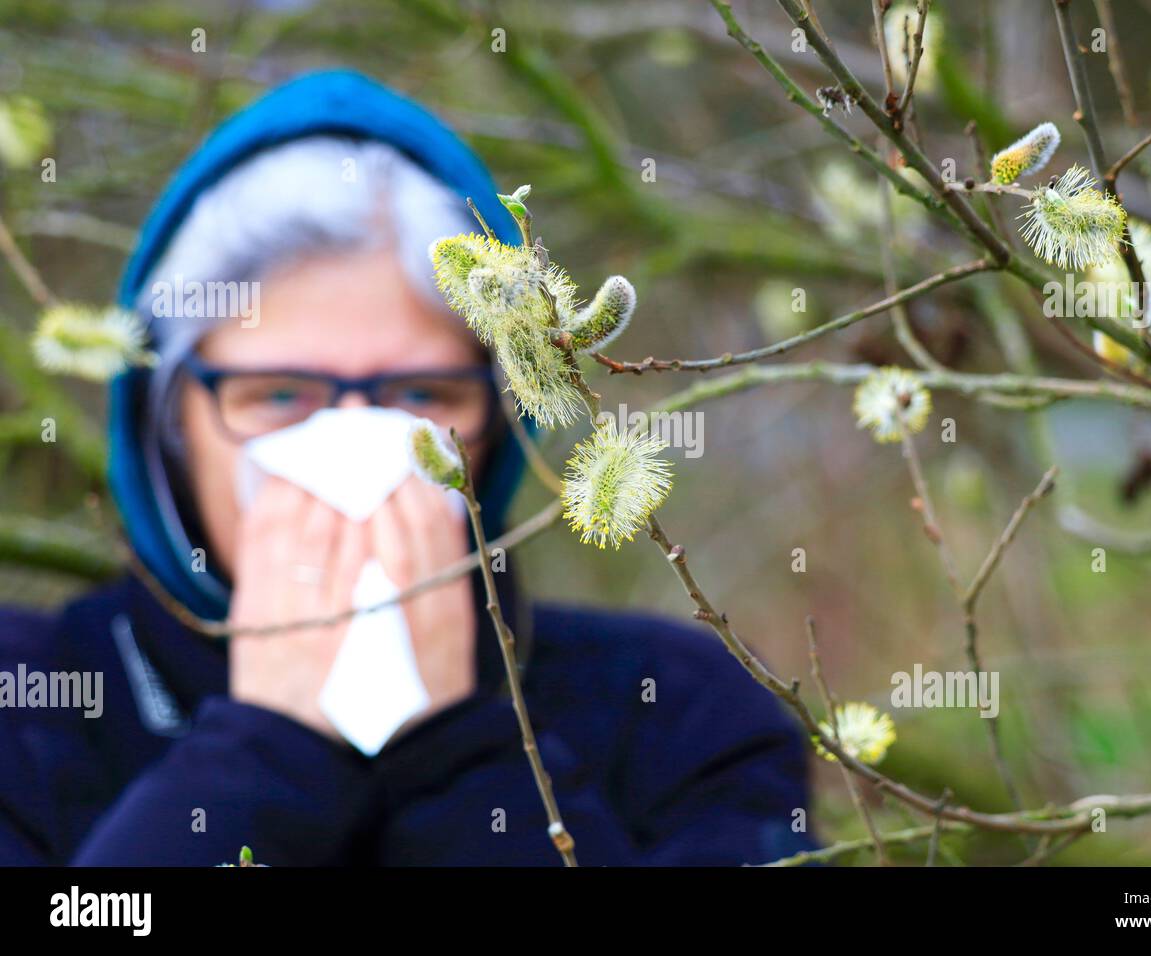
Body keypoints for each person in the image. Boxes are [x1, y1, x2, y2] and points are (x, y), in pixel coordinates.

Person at [0, 70, 816, 866]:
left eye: (421, 392)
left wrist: (456, 752)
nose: (354, 438)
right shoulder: (29, 707)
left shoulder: (676, 711)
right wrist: (261, 753)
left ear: (501, 414)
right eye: (279, 394)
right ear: (169, 418)